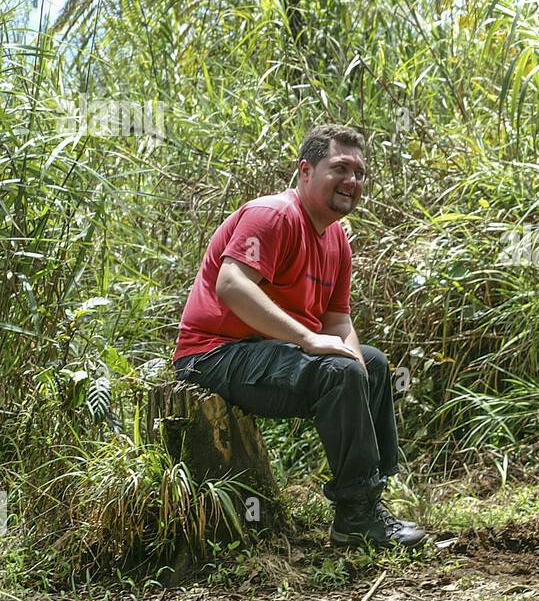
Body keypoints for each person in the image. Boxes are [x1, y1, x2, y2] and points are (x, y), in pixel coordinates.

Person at [171, 123, 427, 548]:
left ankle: (367, 499)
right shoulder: (274, 215)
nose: (353, 181)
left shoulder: (338, 241)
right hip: (213, 355)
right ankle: (357, 515)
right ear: (305, 171)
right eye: (341, 168)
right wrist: (309, 341)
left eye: (360, 173)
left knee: (373, 365)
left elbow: (338, 322)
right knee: (339, 373)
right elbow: (232, 285)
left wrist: (354, 361)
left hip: (266, 353)